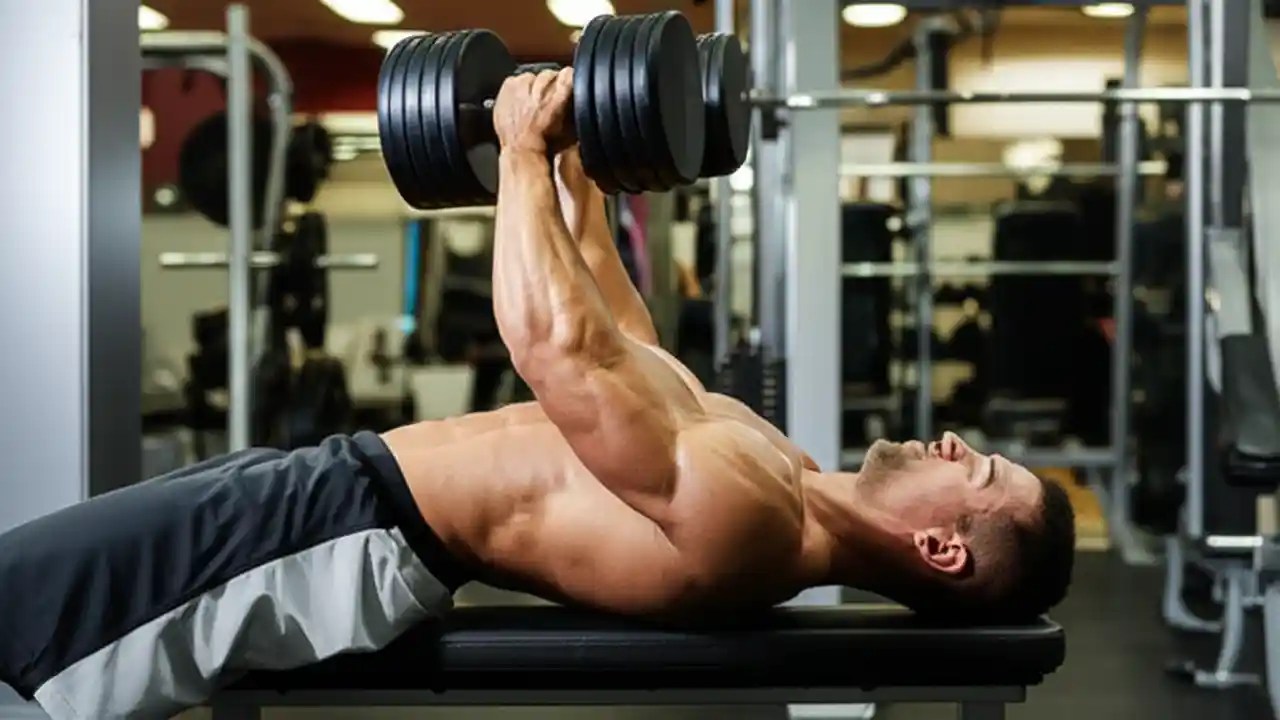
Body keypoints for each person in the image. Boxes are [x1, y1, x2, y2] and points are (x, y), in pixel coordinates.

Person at [0, 69, 1075, 720]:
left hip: (348, 532)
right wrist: (582, 186)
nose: (949, 440)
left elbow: (553, 349)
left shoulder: (754, 527)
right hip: (333, 494)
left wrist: (518, 152)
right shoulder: (777, 473)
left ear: (941, 550)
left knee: (28, 626)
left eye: (972, 470)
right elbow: (624, 343)